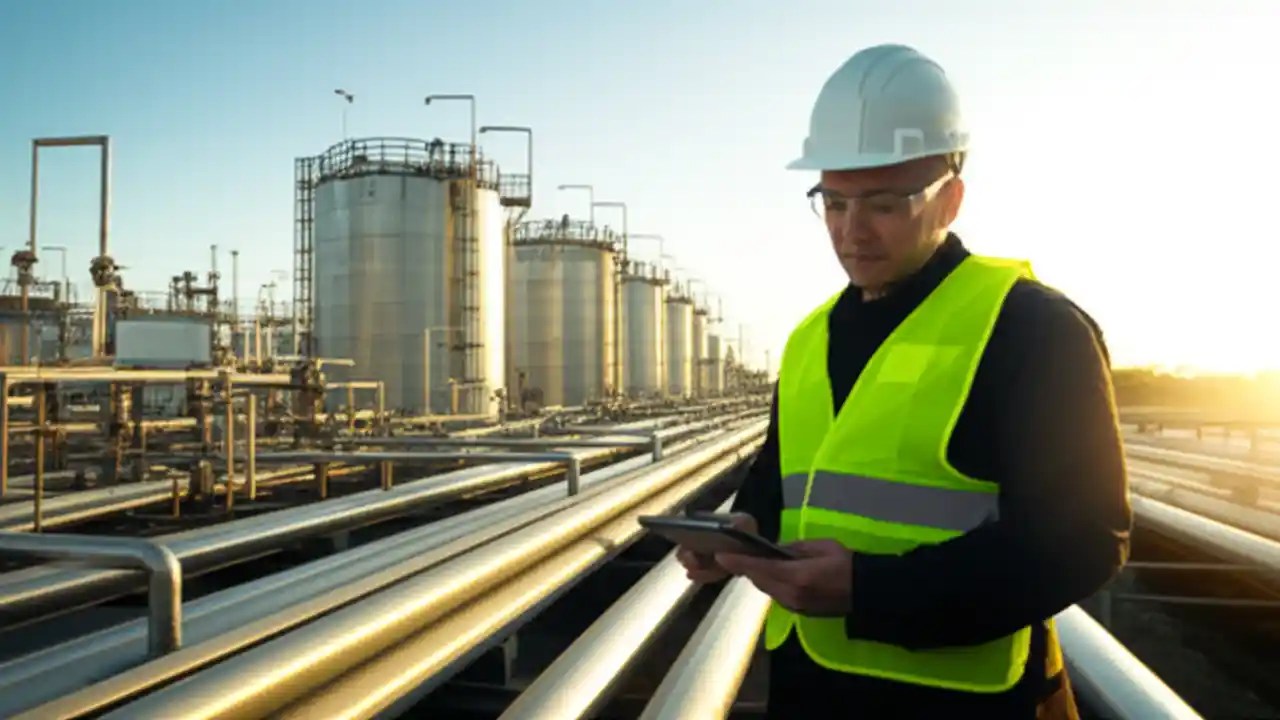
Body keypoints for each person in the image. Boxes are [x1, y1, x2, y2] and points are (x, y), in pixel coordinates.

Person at [677, 44, 1132, 719]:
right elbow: (782, 476)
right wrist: (745, 528)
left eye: (883, 204)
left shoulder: (1032, 328)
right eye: (832, 202)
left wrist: (869, 588)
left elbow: (1086, 538)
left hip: (953, 703)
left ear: (950, 198)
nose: (851, 232)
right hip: (810, 693)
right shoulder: (811, 338)